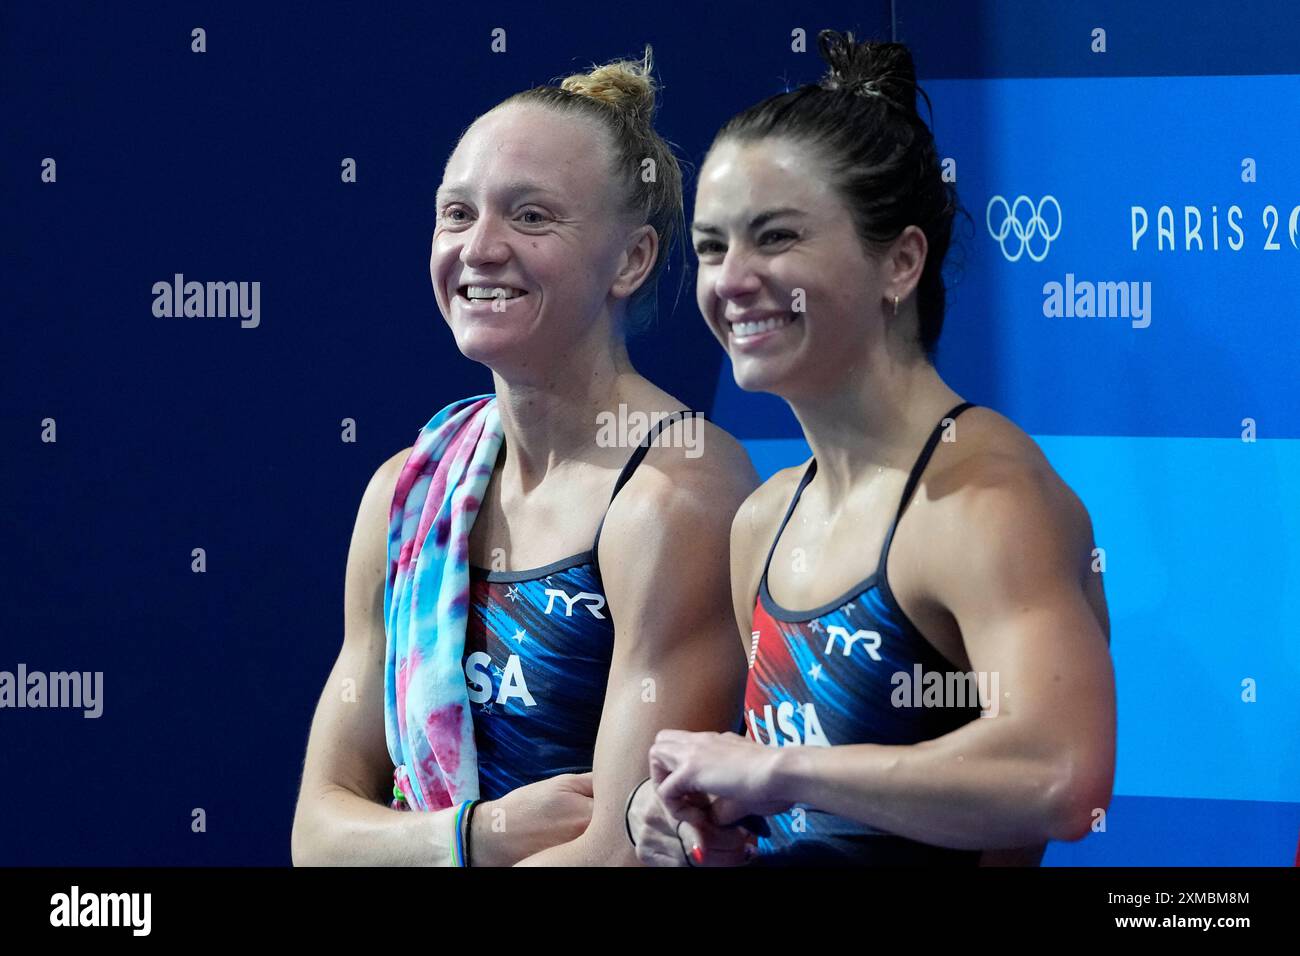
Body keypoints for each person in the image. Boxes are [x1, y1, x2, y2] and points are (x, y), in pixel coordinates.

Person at [627, 30, 1115, 866]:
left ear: (901, 262)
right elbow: (790, 808)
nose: (731, 280)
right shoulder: (765, 520)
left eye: (775, 237)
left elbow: (1062, 777)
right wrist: (675, 815)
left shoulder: (985, 500)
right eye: (712, 247)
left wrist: (784, 771)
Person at [291, 47, 757, 866]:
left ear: (631, 259)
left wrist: (399, 849)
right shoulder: (406, 496)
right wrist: (478, 834)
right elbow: (318, 837)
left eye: (531, 216)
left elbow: (623, 856)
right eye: (457, 213)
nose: (480, 248)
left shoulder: (673, 495)